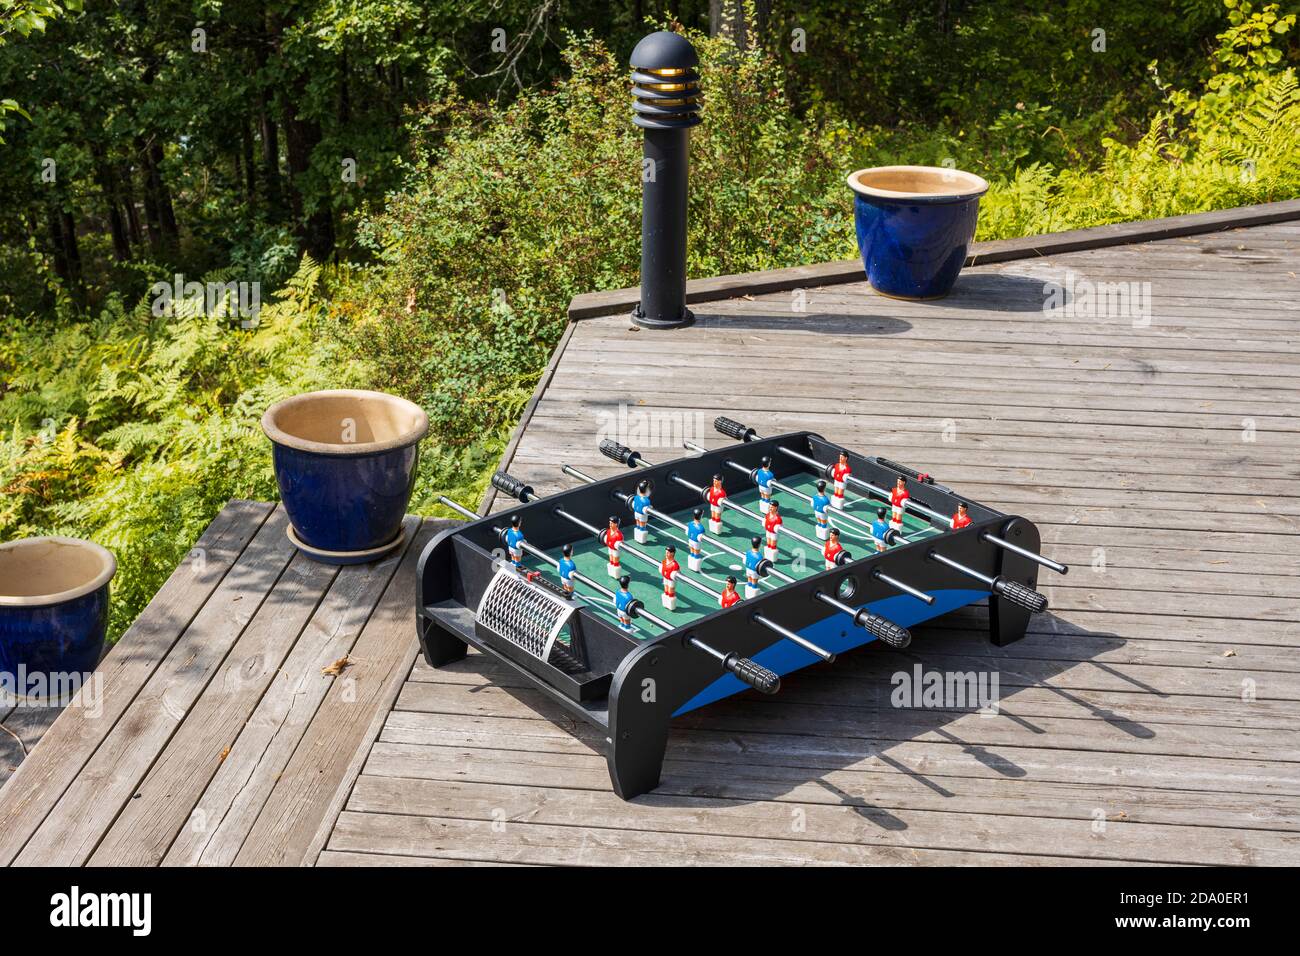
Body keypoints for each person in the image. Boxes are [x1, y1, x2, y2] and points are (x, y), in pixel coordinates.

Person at [660, 545, 680, 611]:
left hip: (671, 580)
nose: (666, 554)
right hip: (665, 578)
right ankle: (666, 603)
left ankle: (671, 605)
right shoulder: (664, 561)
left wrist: (675, 574)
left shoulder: (675, 564)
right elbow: (662, 567)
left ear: (672, 553)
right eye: (666, 552)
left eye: (668, 553)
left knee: (671, 591)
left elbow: (677, 572)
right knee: (666, 590)